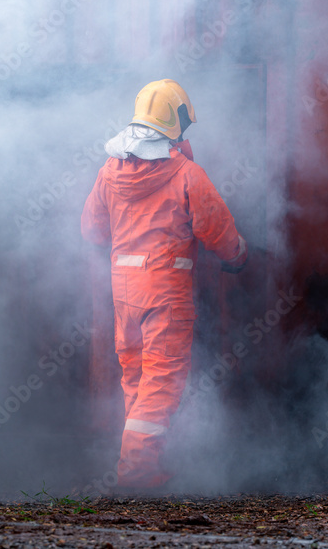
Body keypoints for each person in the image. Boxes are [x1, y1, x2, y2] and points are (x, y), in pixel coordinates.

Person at [81, 78, 247, 489]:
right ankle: (136, 475)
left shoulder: (109, 171)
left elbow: (91, 231)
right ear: (175, 124)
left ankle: (143, 466)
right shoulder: (186, 175)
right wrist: (239, 255)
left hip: (124, 291)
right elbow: (217, 230)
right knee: (161, 381)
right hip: (164, 291)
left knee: (136, 379)